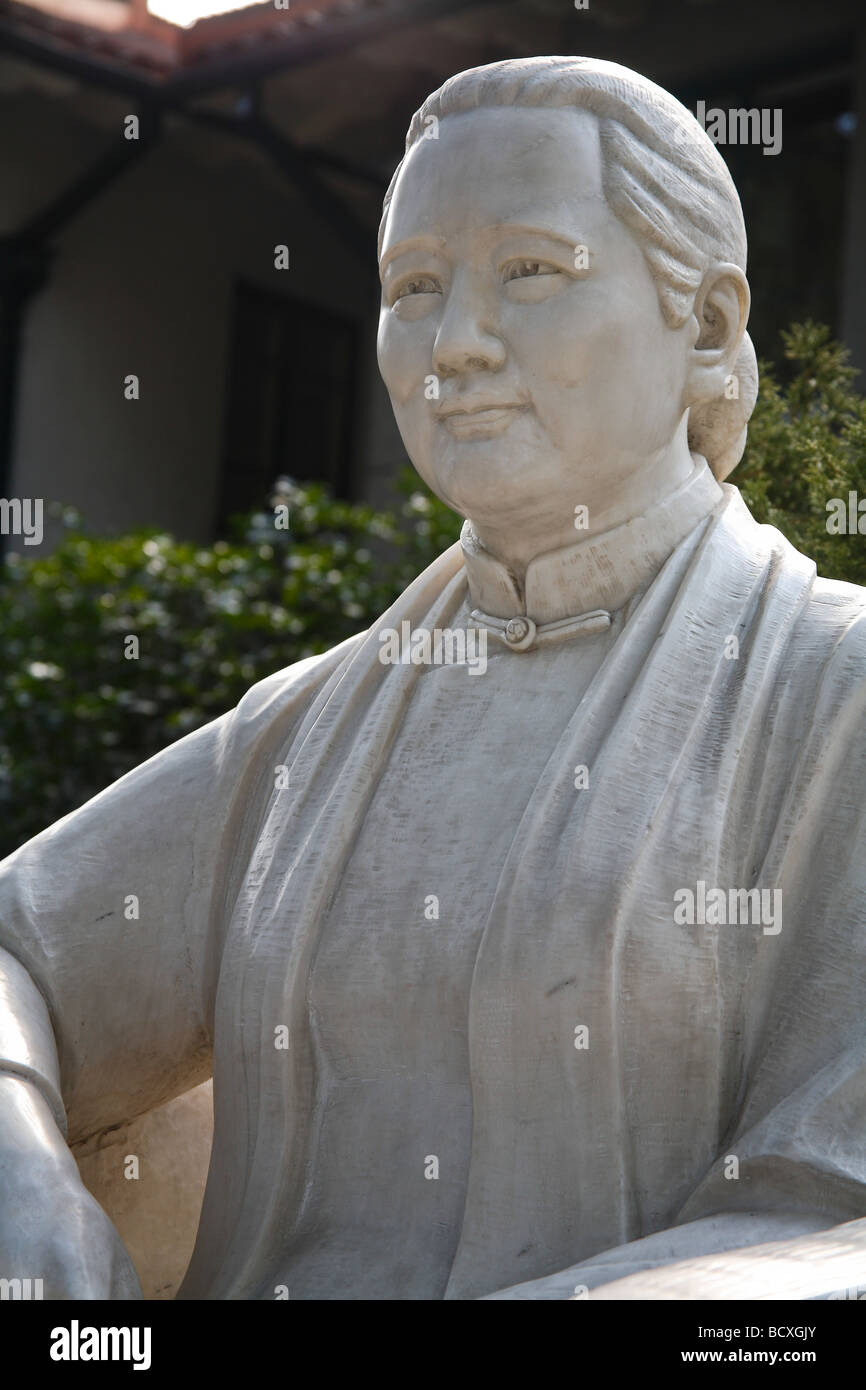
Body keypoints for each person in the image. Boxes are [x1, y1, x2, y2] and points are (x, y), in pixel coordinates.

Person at [1, 55, 865, 1301]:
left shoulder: (827, 692)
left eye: (529, 270)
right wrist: (26, 1188)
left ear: (709, 325)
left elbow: (837, 1221)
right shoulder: (307, 728)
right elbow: (20, 945)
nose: (453, 343)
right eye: (413, 286)